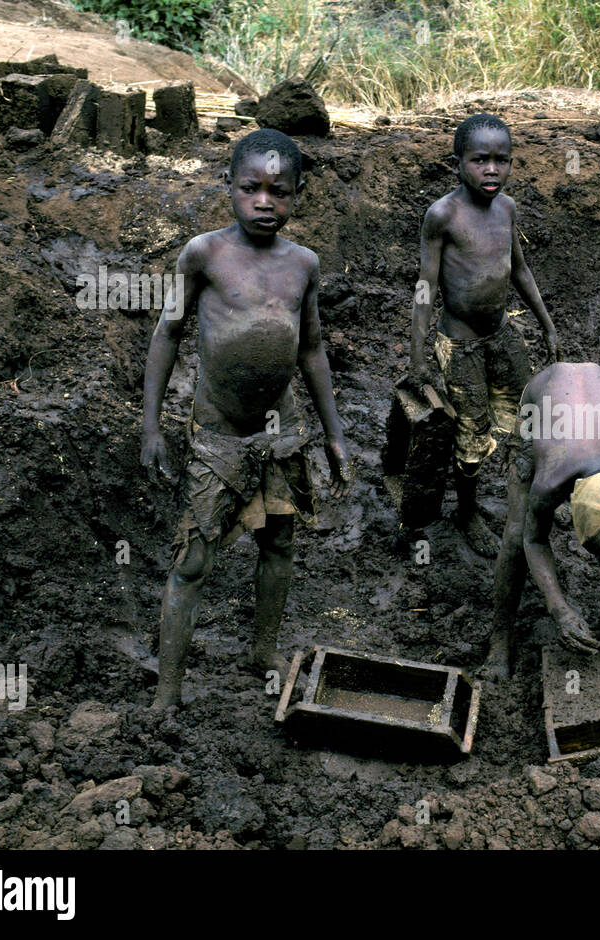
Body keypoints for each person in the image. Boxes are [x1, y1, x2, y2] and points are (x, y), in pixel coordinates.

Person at [141, 128, 352, 709]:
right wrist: (151, 426)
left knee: (280, 542)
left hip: (280, 434)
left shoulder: (303, 263)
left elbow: (311, 349)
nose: (265, 202)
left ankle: (262, 650)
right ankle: (168, 689)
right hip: (218, 436)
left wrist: (333, 434)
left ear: (298, 194)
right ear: (228, 187)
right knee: (194, 560)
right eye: (251, 189)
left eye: (279, 192)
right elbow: (168, 333)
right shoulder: (203, 255)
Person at [409, 113, 559, 556]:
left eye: (502, 161)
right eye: (479, 160)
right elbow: (425, 289)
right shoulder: (442, 215)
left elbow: (520, 271)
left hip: (501, 335)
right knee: (470, 436)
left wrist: (547, 325)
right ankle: (468, 511)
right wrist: (419, 357)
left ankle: (524, 502)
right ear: (457, 162)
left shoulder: (507, 209)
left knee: (527, 418)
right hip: (460, 347)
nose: (492, 170)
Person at [485, 362, 600, 680]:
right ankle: (500, 641)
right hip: (540, 407)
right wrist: (559, 609)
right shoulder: (550, 480)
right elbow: (533, 540)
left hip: (597, 398)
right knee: (514, 533)